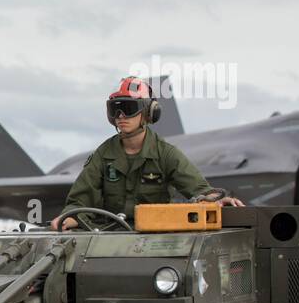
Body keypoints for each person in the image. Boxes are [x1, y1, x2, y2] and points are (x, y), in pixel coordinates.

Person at [52, 77, 244, 230]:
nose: (120, 117)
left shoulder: (165, 154)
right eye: (115, 109)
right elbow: (80, 200)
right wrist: (70, 217)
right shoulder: (103, 155)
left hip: (152, 236)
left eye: (128, 109)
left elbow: (198, 189)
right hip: (108, 235)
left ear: (148, 113)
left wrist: (214, 200)